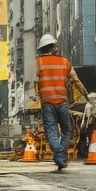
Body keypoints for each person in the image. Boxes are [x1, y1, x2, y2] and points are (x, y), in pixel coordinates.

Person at [36, 33, 87, 170]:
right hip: (63, 103)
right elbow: (76, 82)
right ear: (55, 48)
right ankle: (61, 156)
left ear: (41, 50)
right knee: (67, 132)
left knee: (51, 132)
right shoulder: (65, 63)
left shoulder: (38, 63)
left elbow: (34, 84)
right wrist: (87, 97)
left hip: (47, 104)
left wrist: (39, 98)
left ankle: (59, 155)